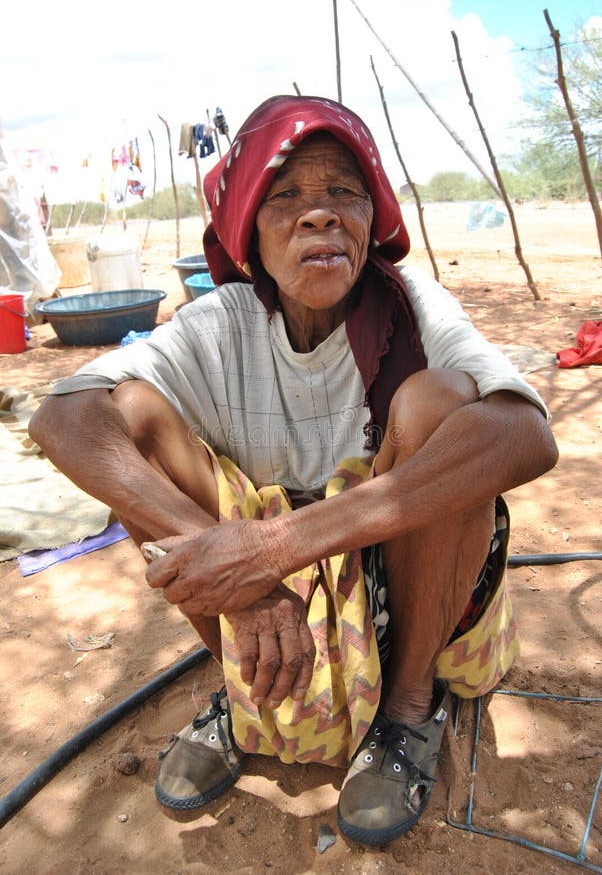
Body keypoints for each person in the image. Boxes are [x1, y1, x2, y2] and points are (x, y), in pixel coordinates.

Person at [29, 95, 558, 846]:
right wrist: (238, 577)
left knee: (441, 407)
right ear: (249, 230)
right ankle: (248, 693)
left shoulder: (414, 307)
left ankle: (408, 708)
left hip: (401, 575)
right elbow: (62, 418)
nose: (319, 216)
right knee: (135, 413)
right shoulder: (219, 323)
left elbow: (527, 435)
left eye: (343, 191)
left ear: (372, 221)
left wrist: (276, 546)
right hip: (268, 597)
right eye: (287, 197)